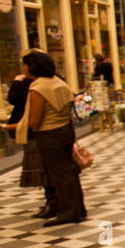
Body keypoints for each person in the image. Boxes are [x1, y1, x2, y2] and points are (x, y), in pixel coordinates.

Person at [23, 50, 87, 226]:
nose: (23, 68)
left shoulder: (38, 87)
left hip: (49, 134)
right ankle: (77, 209)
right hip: (65, 130)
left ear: (32, 66)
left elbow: (35, 120)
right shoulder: (59, 83)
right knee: (69, 171)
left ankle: (68, 213)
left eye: (25, 64)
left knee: (60, 173)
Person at [0, 68, 56, 218]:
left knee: (42, 168)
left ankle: (53, 202)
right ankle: (53, 201)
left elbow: (14, 98)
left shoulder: (35, 86)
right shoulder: (48, 82)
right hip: (41, 132)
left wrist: (18, 82)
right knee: (44, 168)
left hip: (37, 132)